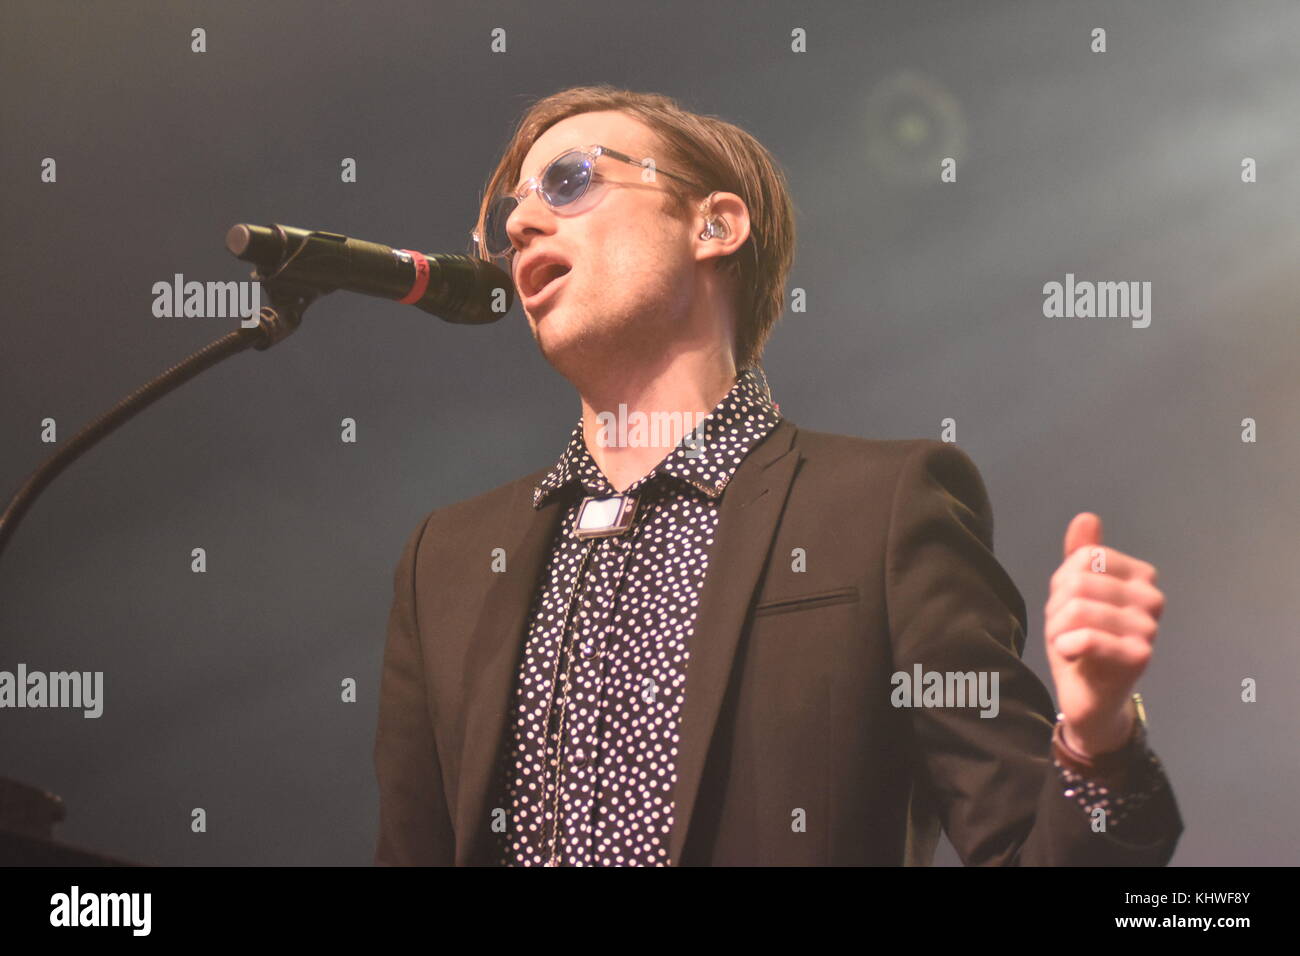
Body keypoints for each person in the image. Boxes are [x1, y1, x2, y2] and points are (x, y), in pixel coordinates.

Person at [373, 84, 1183, 866]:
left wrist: (1096, 736)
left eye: (569, 179)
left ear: (715, 225)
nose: (520, 222)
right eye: (508, 209)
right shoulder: (446, 561)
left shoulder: (881, 510)